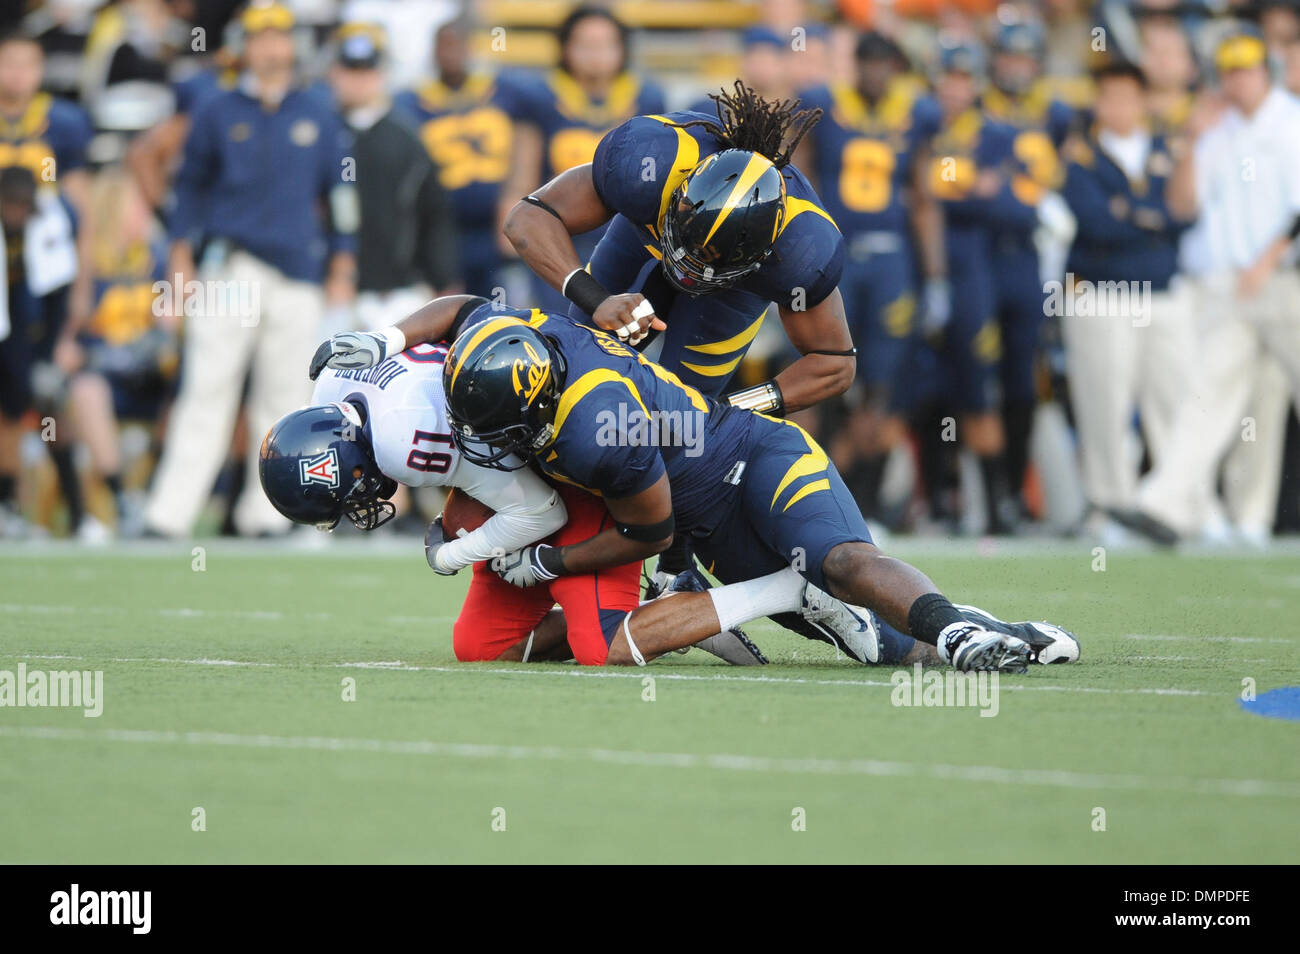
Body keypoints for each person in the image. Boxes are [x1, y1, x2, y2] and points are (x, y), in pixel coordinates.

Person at [304, 295, 1080, 669]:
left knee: (843, 565)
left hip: (750, 466)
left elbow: (649, 529)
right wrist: (388, 337)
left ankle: (958, 629)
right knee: (884, 650)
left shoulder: (596, 428)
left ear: (535, 408)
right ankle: (998, 634)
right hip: (695, 510)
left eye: (500, 431)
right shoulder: (513, 343)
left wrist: (546, 561)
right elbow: (464, 310)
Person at [144, 1, 358, 537]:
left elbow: (341, 193)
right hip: (232, 267)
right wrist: (179, 255)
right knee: (206, 387)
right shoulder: (216, 108)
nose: (270, 48)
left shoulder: (317, 111)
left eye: (278, 37)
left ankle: (268, 516)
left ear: (293, 45)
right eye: (260, 37)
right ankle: (169, 515)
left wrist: (343, 262)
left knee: (285, 397)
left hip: (299, 270)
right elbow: (189, 189)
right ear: (243, 45)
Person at [1121, 26, 1300, 545]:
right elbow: (1182, 205)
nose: (1237, 81)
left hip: (1282, 281)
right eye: (1229, 72)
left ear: (1265, 73)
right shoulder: (1217, 130)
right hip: (1231, 287)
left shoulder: (1289, 122)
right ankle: (1166, 506)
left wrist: (1267, 260)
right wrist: (1193, 140)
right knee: (1207, 394)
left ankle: (1232, 513)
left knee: (1271, 399)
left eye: (1246, 71)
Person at [793, 30, 947, 524]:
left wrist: (936, 278)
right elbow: (797, 182)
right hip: (833, 256)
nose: (876, 73)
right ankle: (806, 497)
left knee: (880, 386)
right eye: (869, 63)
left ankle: (866, 504)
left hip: (890, 261)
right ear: (855, 64)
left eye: (885, 64)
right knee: (817, 372)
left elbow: (923, 199)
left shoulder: (918, 114)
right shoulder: (821, 106)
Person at [1057, 60, 1194, 541]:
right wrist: (1150, 218)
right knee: (1105, 404)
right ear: (1098, 101)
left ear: (1143, 100)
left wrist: (1132, 214)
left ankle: (1174, 507)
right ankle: (1109, 507)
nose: (1120, 106)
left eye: (1128, 96)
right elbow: (1097, 223)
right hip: (1103, 292)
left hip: (1163, 291)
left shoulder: (1167, 148)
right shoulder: (1079, 154)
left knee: (1174, 402)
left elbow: (1184, 214)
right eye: (1110, 96)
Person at [494, 5, 664, 314]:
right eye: (585, 45)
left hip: (626, 234)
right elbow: (522, 172)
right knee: (564, 327)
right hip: (564, 234)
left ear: (622, 48)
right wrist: (512, 238)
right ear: (566, 47)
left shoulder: (646, 98)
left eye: (605, 44)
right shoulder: (541, 97)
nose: (595, 55)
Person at [330, 21, 459, 332]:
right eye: (350, 71)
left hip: (399, 288)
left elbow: (433, 213)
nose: (358, 81)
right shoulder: (320, 132)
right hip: (331, 287)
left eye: (366, 71)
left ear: (381, 74)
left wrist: (444, 278)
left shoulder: (407, 138)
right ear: (334, 74)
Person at [394, 18, 512, 298]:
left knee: (503, 304)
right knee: (452, 303)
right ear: (433, 52)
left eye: (456, 46)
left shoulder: (503, 92)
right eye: (443, 47)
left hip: (494, 223)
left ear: (470, 49)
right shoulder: (411, 102)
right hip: (445, 225)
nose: (450, 54)